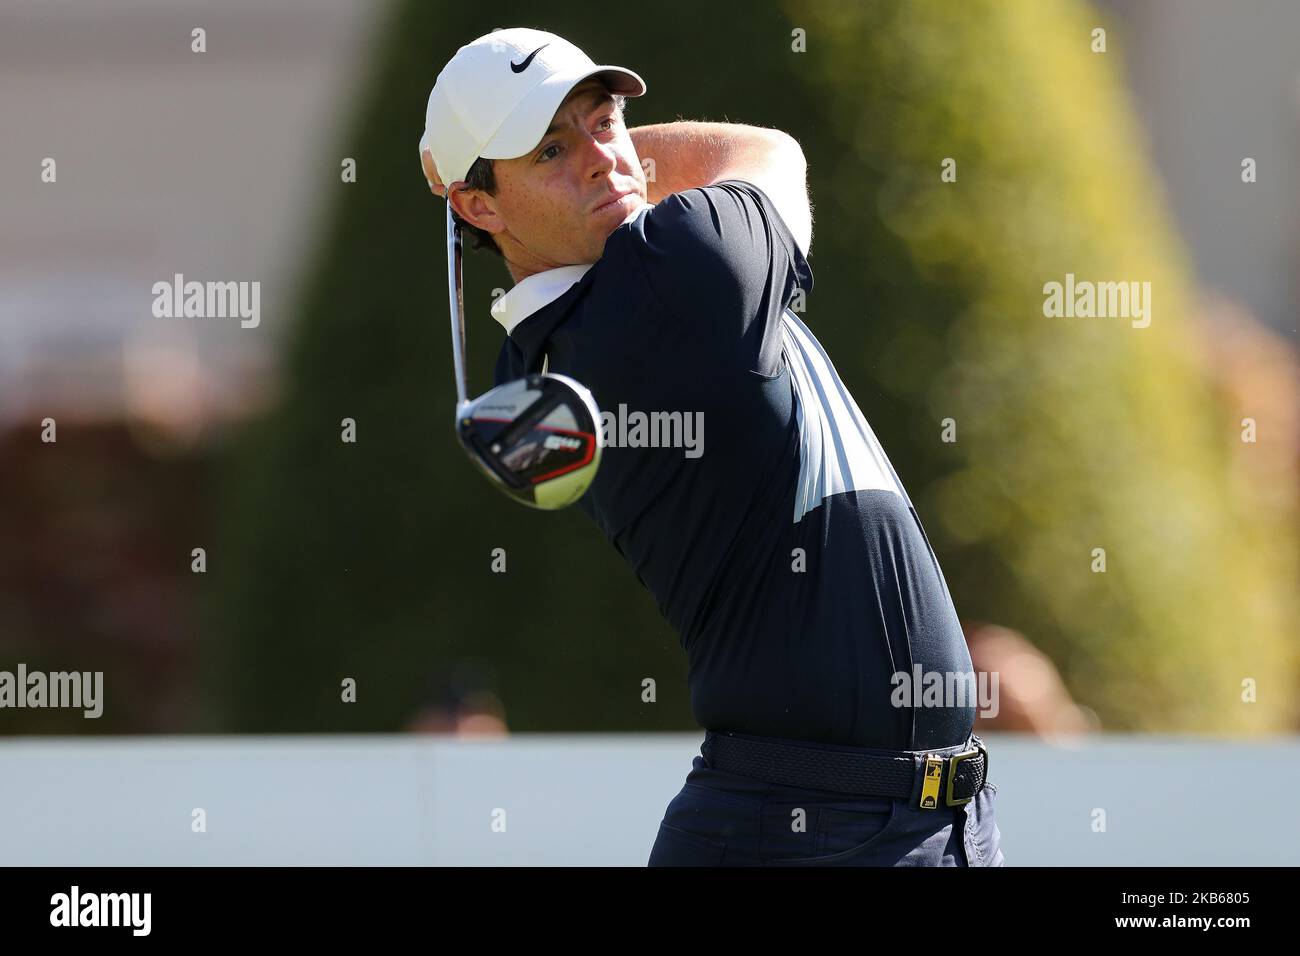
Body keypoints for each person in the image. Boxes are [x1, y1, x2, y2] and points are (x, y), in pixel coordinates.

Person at [419, 27, 1002, 866]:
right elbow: (764, 150)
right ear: (477, 207)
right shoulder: (676, 271)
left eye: (604, 119)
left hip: (883, 818)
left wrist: (523, 168)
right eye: (551, 147)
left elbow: (594, 183)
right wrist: (587, 161)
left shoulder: (538, 353)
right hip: (816, 829)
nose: (603, 158)